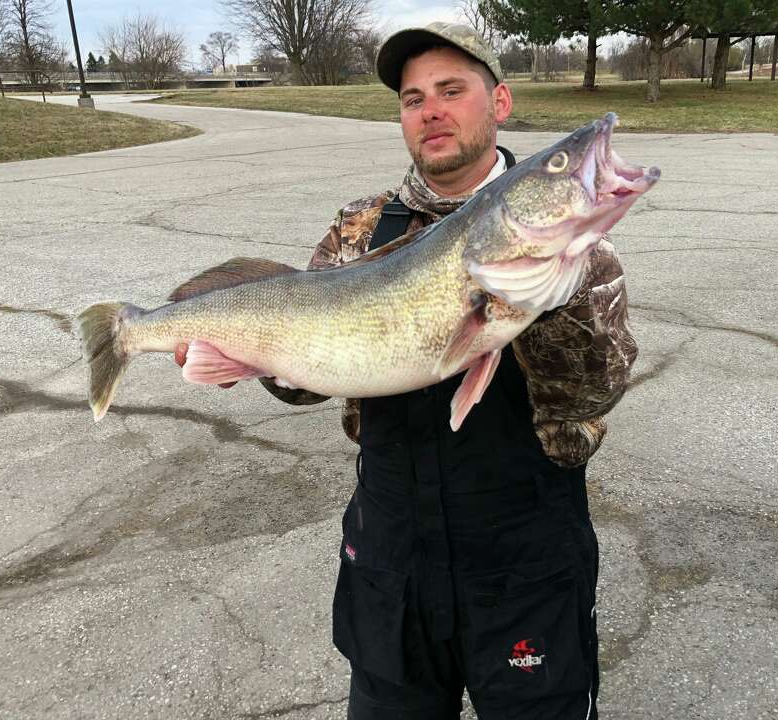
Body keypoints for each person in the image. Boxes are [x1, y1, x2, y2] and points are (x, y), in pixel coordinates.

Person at [177, 22, 636, 720]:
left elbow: (591, 395)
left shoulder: (579, 254)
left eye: (452, 90)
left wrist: (548, 297)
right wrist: (248, 354)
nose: (430, 111)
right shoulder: (359, 228)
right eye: (413, 98)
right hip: (391, 548)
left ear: (500, 102)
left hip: (525, 554)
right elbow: (307, 379)